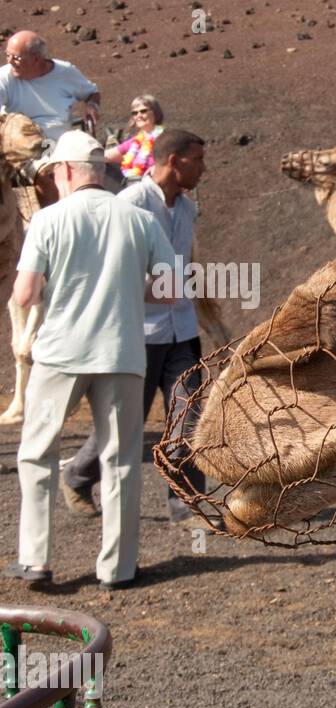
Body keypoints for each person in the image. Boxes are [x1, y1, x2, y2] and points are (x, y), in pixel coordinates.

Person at [4, 130, 176, 590]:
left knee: (38, 453)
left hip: (61, 353)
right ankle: (118, 568)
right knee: (120, 458)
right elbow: (170, 290)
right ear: (101, 172)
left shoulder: (49, 220)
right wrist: (124, 293)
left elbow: (25, 293)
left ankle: (36, 559)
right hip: (122, 351)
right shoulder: (139, 219)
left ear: (64, 171)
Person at [62, 128, 207, 525]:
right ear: (174, 161)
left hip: (182, 329)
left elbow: (185, 263)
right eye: (197, 160)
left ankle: (185, 500)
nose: (204, 169)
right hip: (138, 332)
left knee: (188, 413)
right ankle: (77, 475)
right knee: (126, 421)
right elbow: (108, 266)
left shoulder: (188, 208)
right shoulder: (129, 203)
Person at [0, 31, 101, 141]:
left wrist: (92, 106)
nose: (10, 62)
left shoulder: (65, 73)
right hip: (19, 145)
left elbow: (92, 93)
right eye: (7, 55)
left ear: (36, 59)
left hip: (58, 144)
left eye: (16, 58)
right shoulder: (5, 77)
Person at [106, 94, 165, 181]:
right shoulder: (134, 141)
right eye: (135, 113)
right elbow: (105, 156)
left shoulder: (165, 138)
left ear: (155, 112)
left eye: (143, 111)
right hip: (135, 185)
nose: (139, 115)